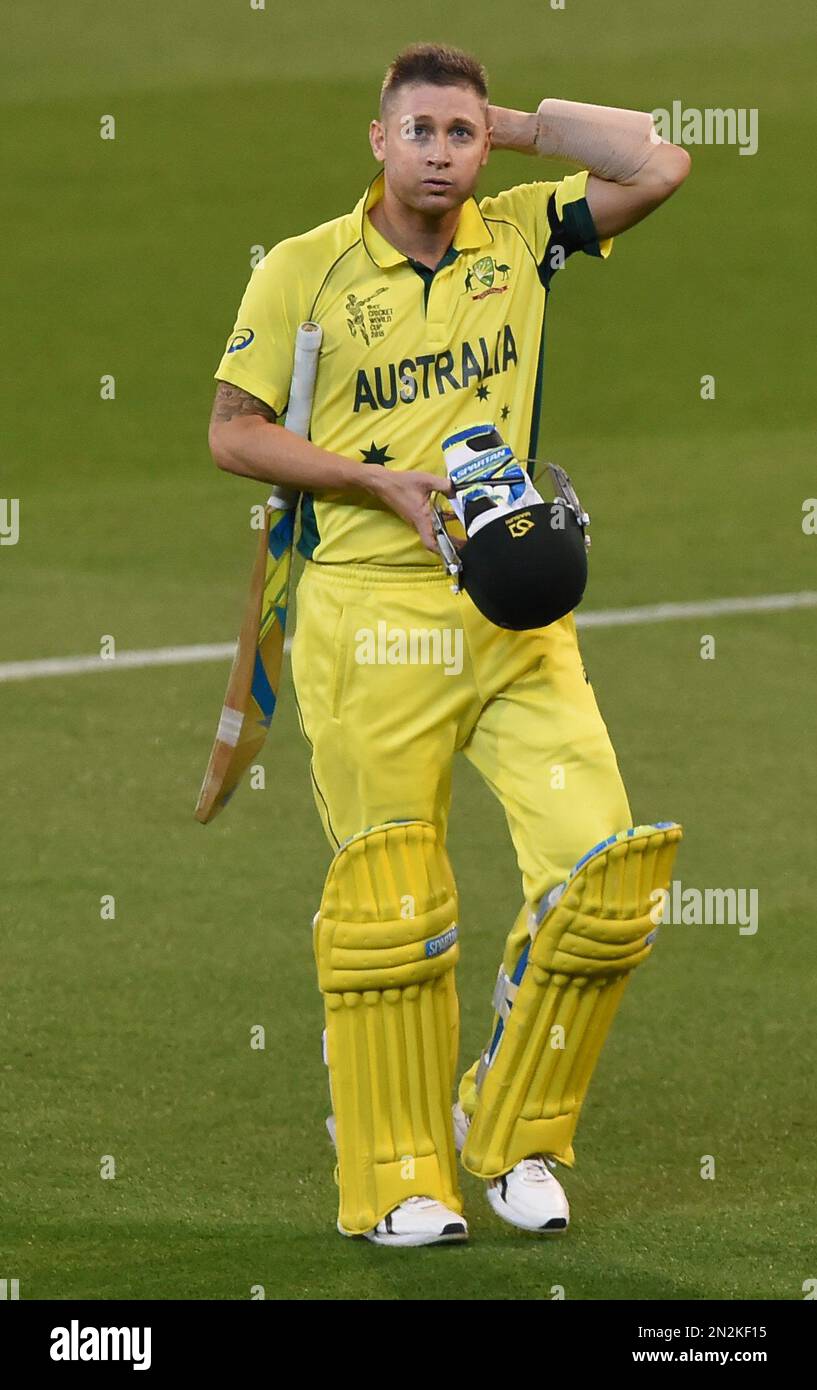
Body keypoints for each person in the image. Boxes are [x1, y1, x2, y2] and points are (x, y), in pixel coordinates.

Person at [208, 42, 690, 1248]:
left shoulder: (524, 232)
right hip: (366, 616)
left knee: (603, 883)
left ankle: (512, 1130)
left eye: (459, 133)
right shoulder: (302, 272)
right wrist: (379, 486)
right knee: (392, 910)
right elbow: (234, 433)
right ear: (376, 139)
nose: (439, 153)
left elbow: (661, 158)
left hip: (515, 610)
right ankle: (398, 1177)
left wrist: (516, 128)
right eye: (418, 130)